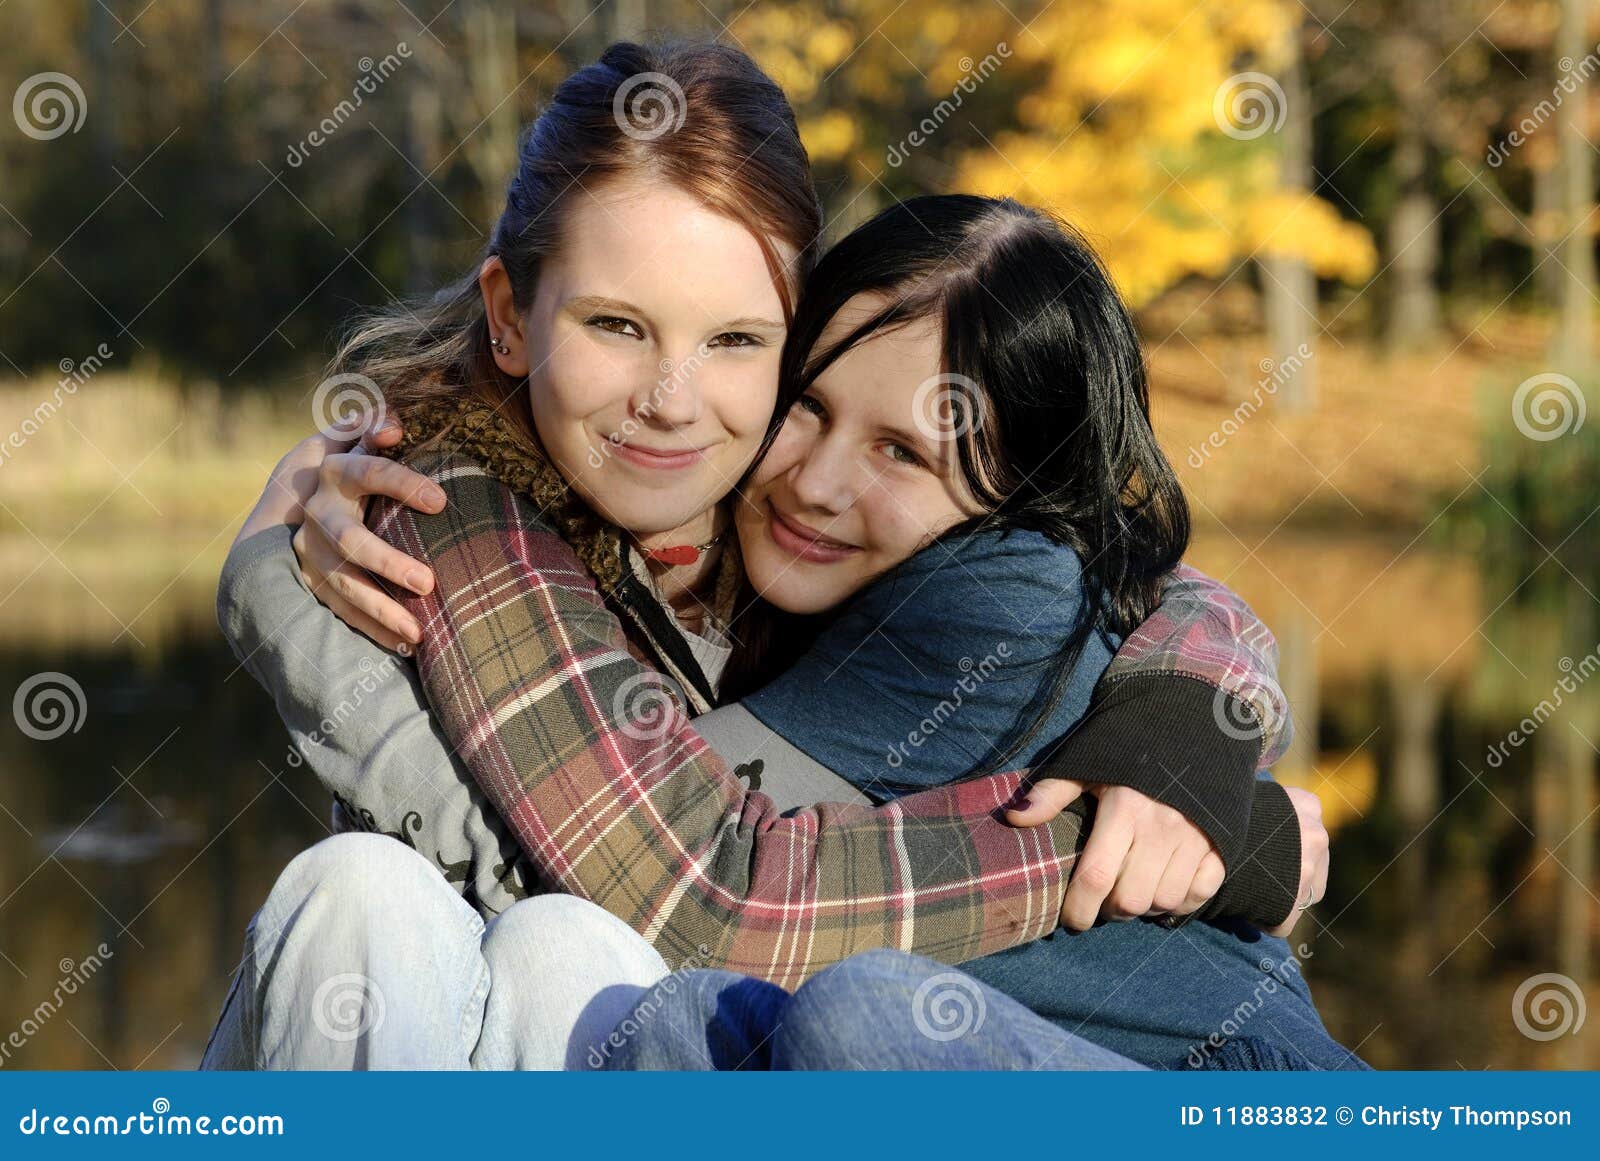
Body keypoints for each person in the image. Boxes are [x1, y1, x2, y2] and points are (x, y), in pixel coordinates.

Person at [204, 40, 1327, 1071]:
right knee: (432, 913)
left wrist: (1195, 735)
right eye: (615, 325)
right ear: (510, 315)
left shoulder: (933, 570)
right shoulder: (455, 503)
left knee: (658, 976)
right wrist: (1231, 842)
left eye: (737, 340)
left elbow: (1141, 581)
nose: (673, 401)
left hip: (1194, 1073)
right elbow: (692, 888)